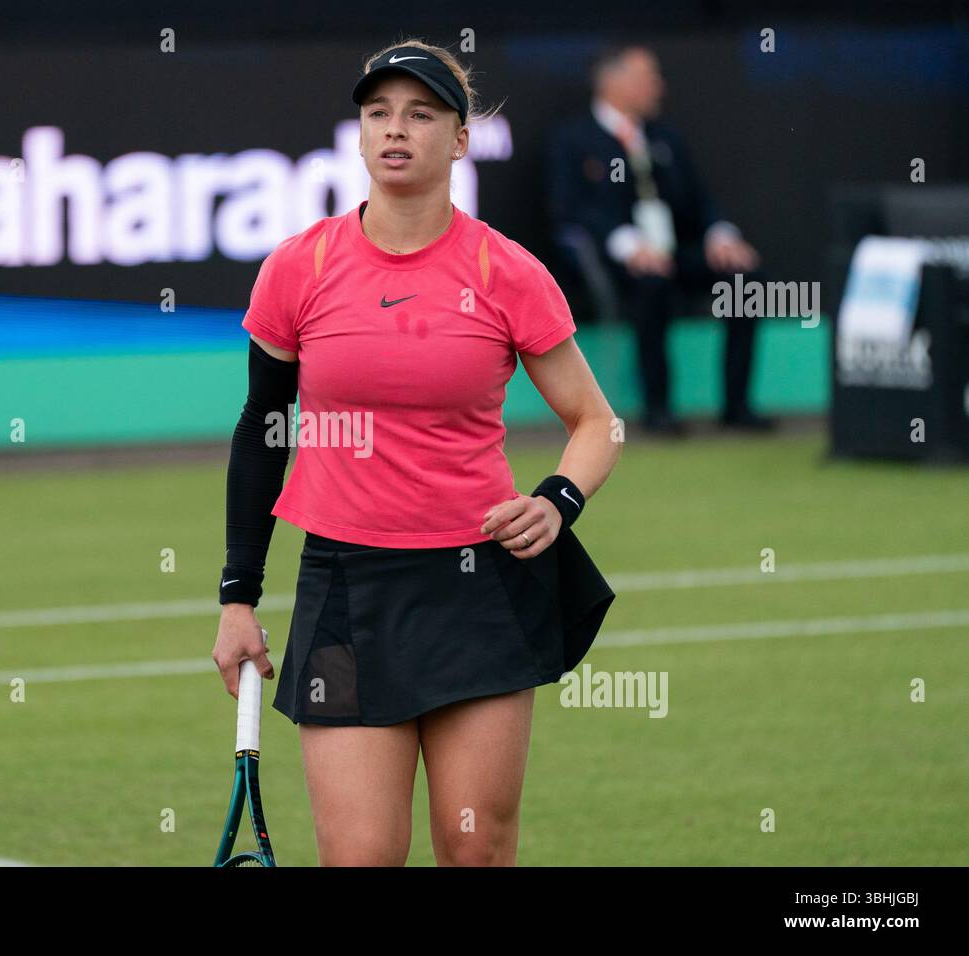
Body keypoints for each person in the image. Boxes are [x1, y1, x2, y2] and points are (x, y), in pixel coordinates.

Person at [212, 39, 618, 866]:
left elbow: (595, 423)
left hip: (479, 590)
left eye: (421, 114)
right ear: (361, 134)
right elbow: (263, 427)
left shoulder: (507, 270)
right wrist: (237, 597)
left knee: (476, 850)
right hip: (343, 590)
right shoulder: (300, 266)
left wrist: (558, 501)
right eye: (379, 113)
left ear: (460, 139)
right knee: (361, 856)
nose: (395, 130)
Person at [548, 43, 775, 436]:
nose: (658, 87)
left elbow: (699, 199)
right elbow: (569, 210)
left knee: (745, 280)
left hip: (672, 253)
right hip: (614, 263)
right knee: (651, 284)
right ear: (613, 83)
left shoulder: (665, 136)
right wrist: (625, 243)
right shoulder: (573, 139)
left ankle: (737, 407)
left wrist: (720, 234)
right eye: (647, 78)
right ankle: (659, 410)